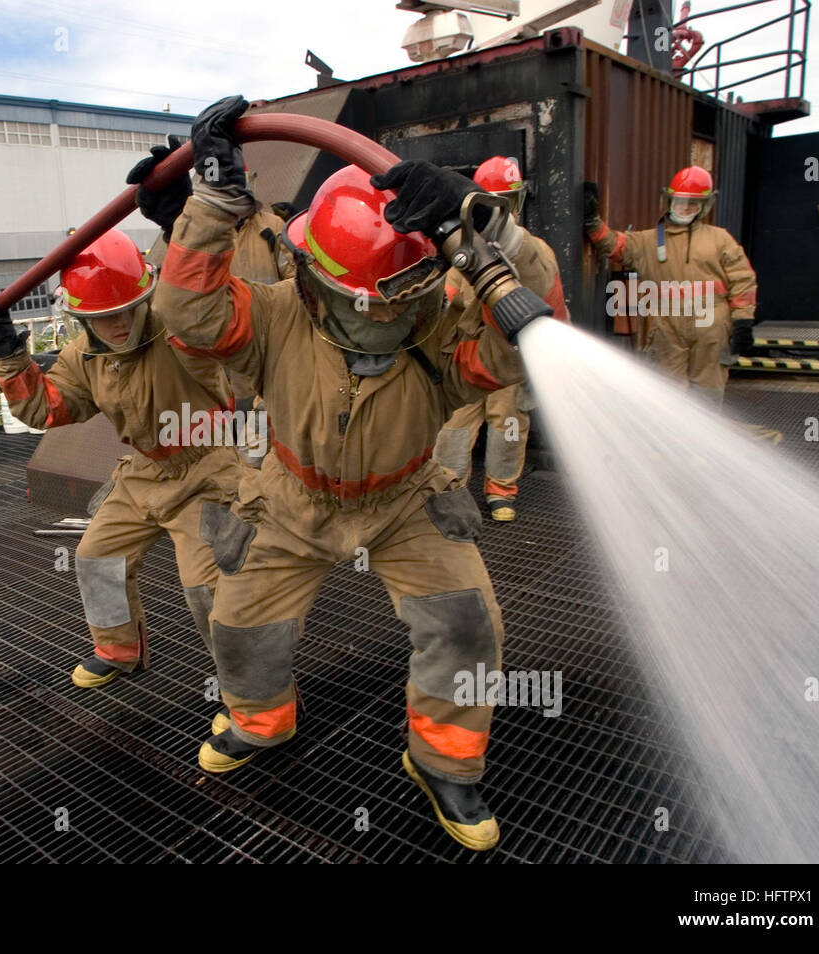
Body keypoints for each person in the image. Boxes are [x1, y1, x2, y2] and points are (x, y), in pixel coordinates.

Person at [152, 96, 560, 851]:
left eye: (407, 298)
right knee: (241, 624)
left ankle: (444, 761)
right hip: (289, 498)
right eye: (376, 303)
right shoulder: (274, 315)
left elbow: (524, 340)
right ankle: (259, 722)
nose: (391, 316)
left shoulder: (438, 327)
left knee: (466, 625)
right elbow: (186, 310)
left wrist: (492, 227)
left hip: (404, 500)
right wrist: (208, 203)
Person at [0, 229, 242, 689]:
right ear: (80, 317)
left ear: (146, 296)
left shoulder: (178, 330)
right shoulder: (86, 355)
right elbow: (46, 407)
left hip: (207, 471)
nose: (117, 324)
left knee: (209, 589)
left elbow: (210, 306)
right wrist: (11, 357)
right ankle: (118, 650)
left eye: (125, 310)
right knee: (97, 556)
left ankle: (250, 694)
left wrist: (186, 225)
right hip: (145, 471)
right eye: (102, 316)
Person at [131, 137, 294, 468]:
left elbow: (297, 295)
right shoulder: (194, 232)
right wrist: (178, 225)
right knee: (226, 464)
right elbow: (177, 300)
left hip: (264, 372)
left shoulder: (271, 230)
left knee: (263, 462)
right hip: (213, 378)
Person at [433, 156, 569, 522]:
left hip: (509, 356)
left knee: (507, 422)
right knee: (454, 426)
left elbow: (549, 302)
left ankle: (501, 490)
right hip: (469, 353)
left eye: (507, 203)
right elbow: (450, 295)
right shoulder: (463, 254)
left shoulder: (532, 254)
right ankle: (450, 492)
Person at [584, 165, 756, 406]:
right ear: (669, 201)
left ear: (704, 206)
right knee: (667, 391)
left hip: (711, 328)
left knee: (708, 390)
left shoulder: (720, 239)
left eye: (692, 204)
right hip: (668, 325)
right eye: (680, 201)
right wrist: (592, 221)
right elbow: (613, 245)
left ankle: (702, 437)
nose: (685, 208)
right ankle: (669, 440)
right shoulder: (648, 241)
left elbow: (742, 280)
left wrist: (743, 321)